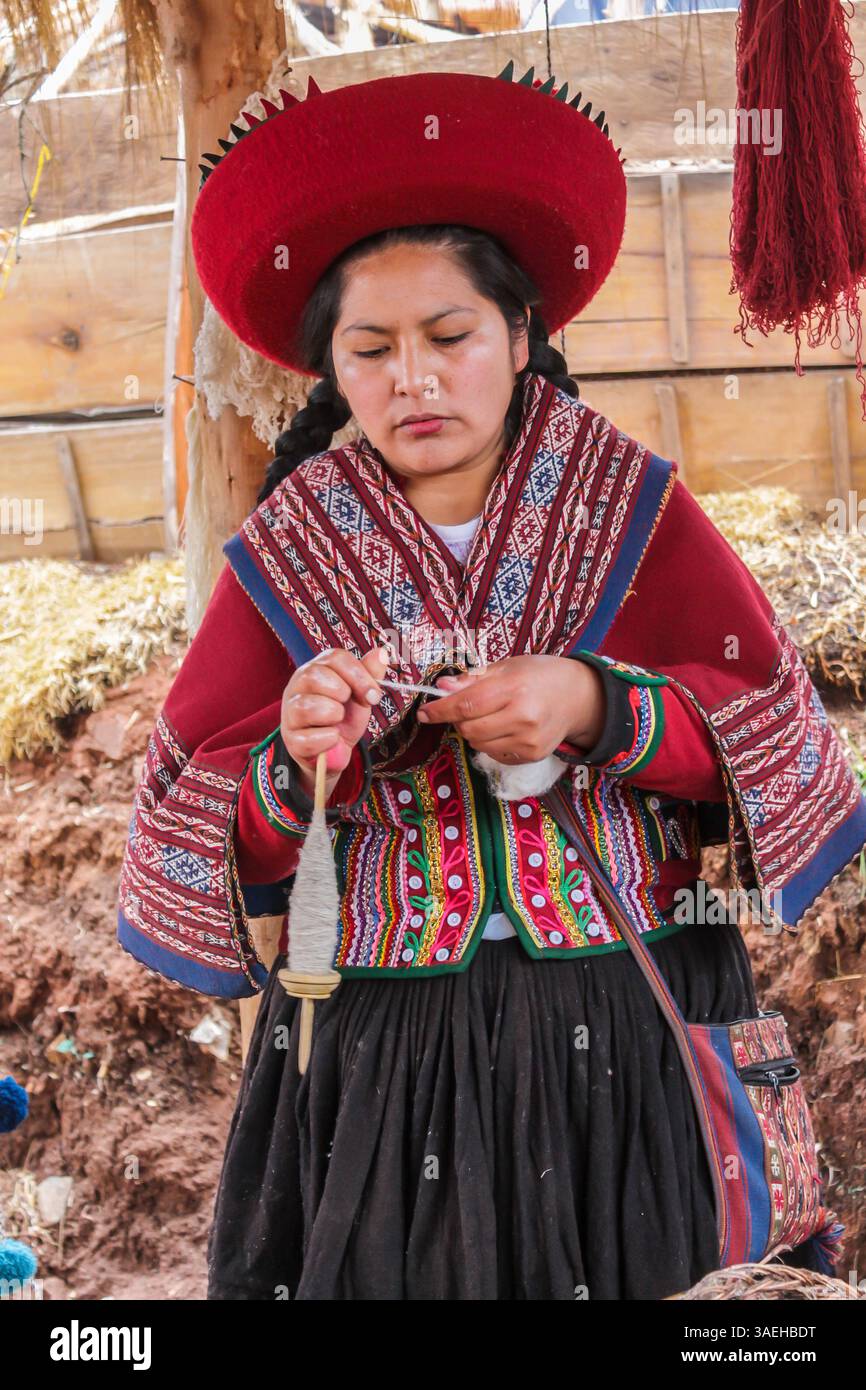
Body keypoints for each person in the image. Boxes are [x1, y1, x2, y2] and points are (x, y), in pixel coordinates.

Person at [116, 64, 866, 1300]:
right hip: (380, 1054)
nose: (412, 378)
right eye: (370, 349)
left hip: (632, 1026)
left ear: (520, 337)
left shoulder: (632, 507)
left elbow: (774, 734)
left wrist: (595, 704)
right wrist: (295, 755)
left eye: (450, 336)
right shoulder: (288, 551)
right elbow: (192, 820)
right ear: (334, 374)